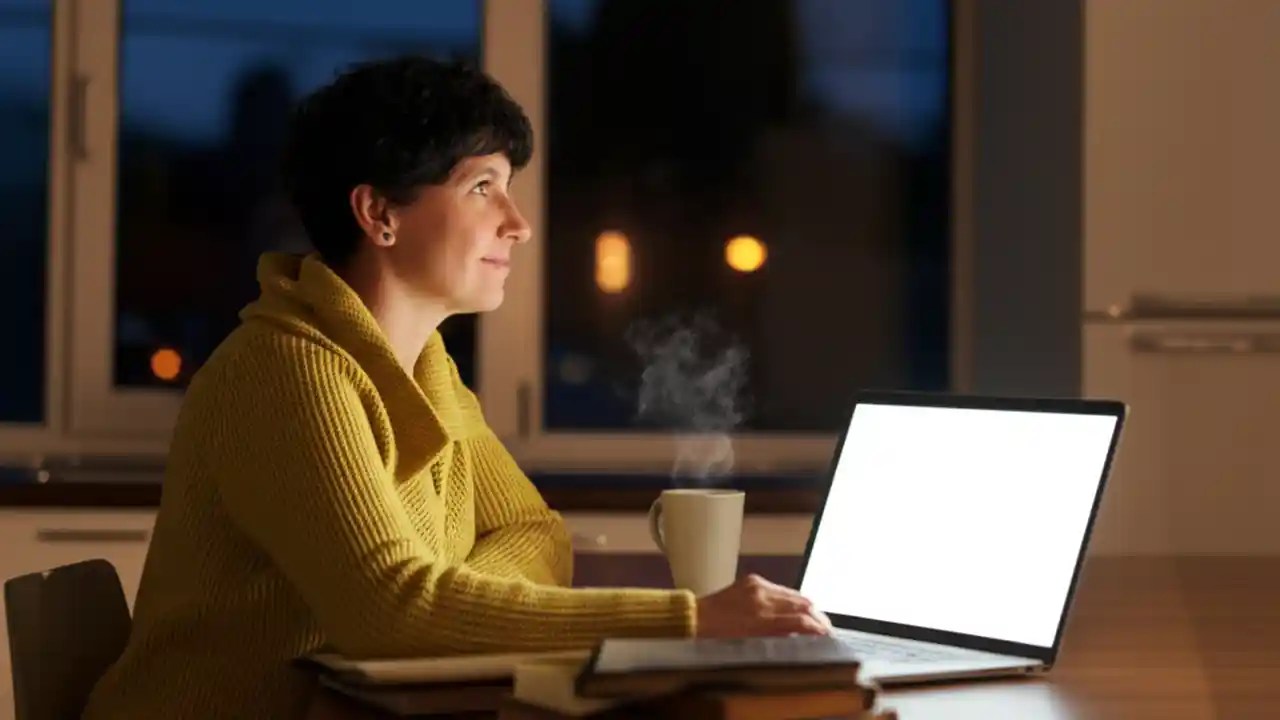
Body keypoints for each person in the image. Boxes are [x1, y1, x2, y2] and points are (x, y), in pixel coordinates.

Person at [81, 56, 828, 720]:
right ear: (379, 214)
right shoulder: (287, 370)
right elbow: (395, 613)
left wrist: (447, 600)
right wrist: (691, 621)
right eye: (482, 187)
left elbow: (537, 538)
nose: (519, 224)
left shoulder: (425, 367)